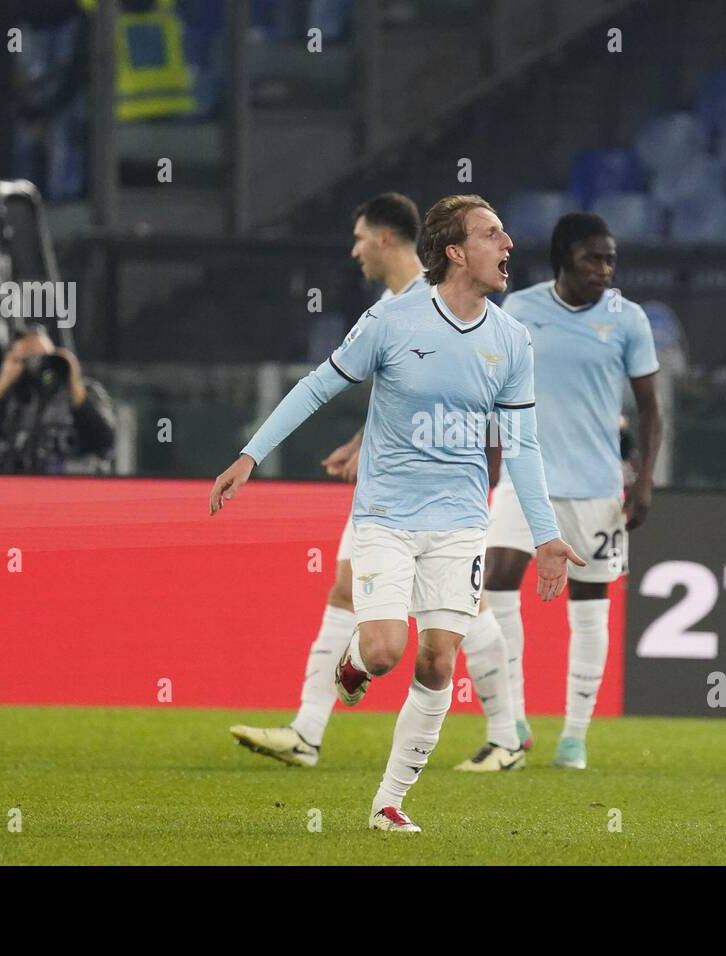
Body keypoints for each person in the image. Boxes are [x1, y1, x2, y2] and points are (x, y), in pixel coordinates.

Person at [209, 194, 584, 832]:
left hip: (462, 523)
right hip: (385, 514)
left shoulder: (510, 340)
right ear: (457, 252)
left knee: (438, 659)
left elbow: (521, 446)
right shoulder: (393, 320)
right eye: (493, 235)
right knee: (384, 653)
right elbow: (318, 385)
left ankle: (389, 802)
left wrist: (546, 534)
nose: (509, 246)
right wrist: (251, 454)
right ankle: (354, 664)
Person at [453, 212, 662, 773]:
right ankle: (513, 722)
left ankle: (574, 739)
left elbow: (650, 410)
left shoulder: (628, 320)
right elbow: (491, 396)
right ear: (565, 256)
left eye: (610, 258)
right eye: (594, 257)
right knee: (494, 585)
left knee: (589, 611)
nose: (604, 269)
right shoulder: (518, 310)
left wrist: (642, 480)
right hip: (526, 483)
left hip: (596, 489)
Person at [228, 193, 428, 768]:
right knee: (346, 592)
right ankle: (307, 733)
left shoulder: (437, 303)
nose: (354, 249)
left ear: (386, 238)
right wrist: (367, 440)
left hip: (435, 492)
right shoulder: (388, 306)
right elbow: (405, 396)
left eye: (361, 236)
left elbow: (451, 397)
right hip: (386, 488)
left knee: (459, 624)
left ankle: (512, 732)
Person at [0, 325, 115, 473]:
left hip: (71, 494)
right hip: (15, 493)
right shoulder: (3, 399)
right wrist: (0, 386)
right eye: (29, 358)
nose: (38, 365)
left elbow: (107, 441)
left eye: (44, 356)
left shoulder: (83, 392)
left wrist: (74, 384)